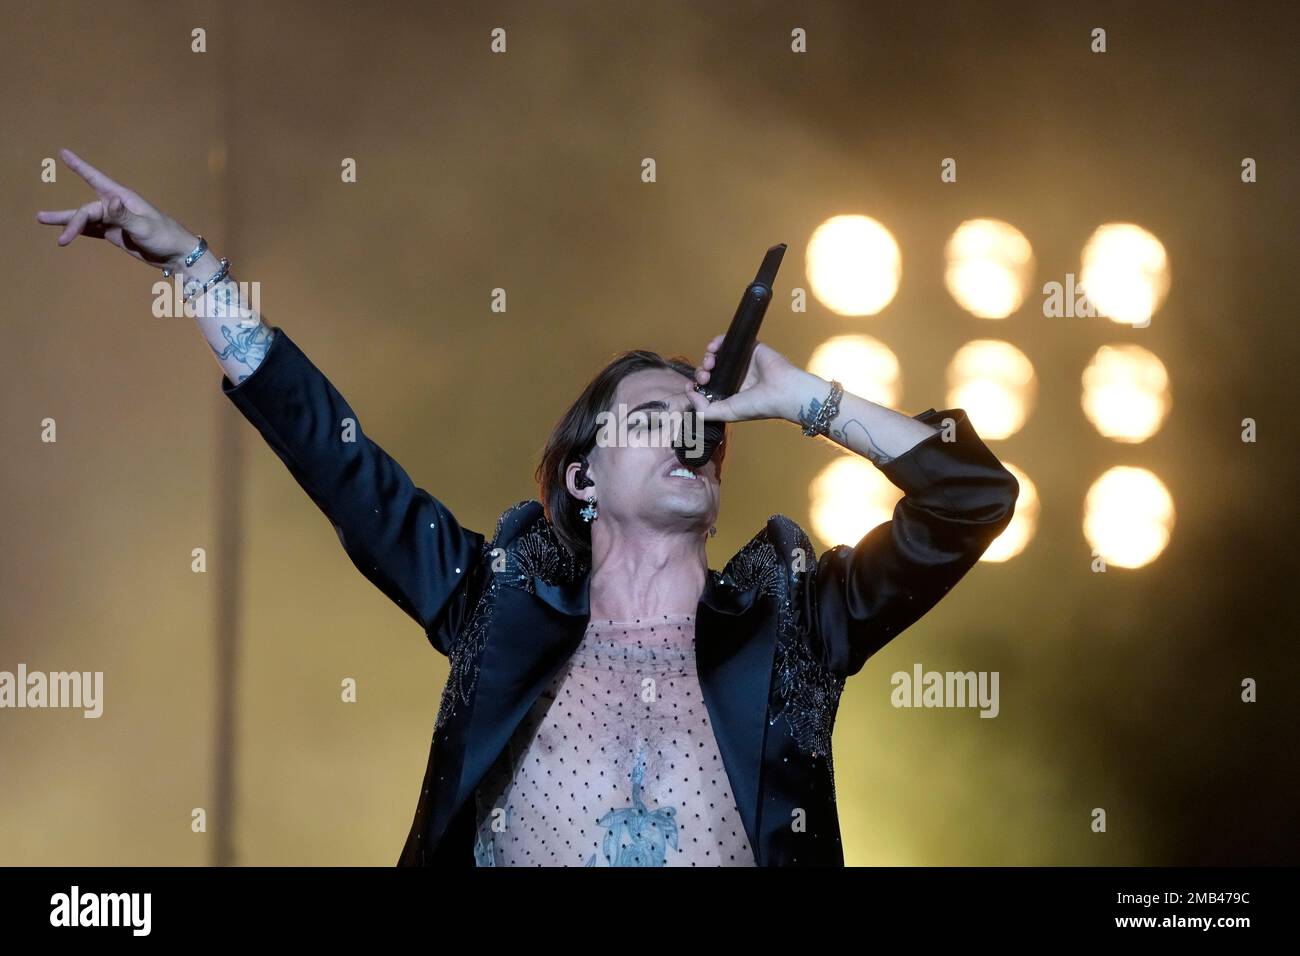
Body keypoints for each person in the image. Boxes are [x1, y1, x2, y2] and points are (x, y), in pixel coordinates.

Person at [38, 148, 1020, 867]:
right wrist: (191, 269)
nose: (688, 436)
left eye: (704, 425)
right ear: (583, 479)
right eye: (651, 418)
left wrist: (810, 399)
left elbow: (971, 498)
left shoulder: (793, 622)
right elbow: (341, 462)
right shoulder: (491, 602)